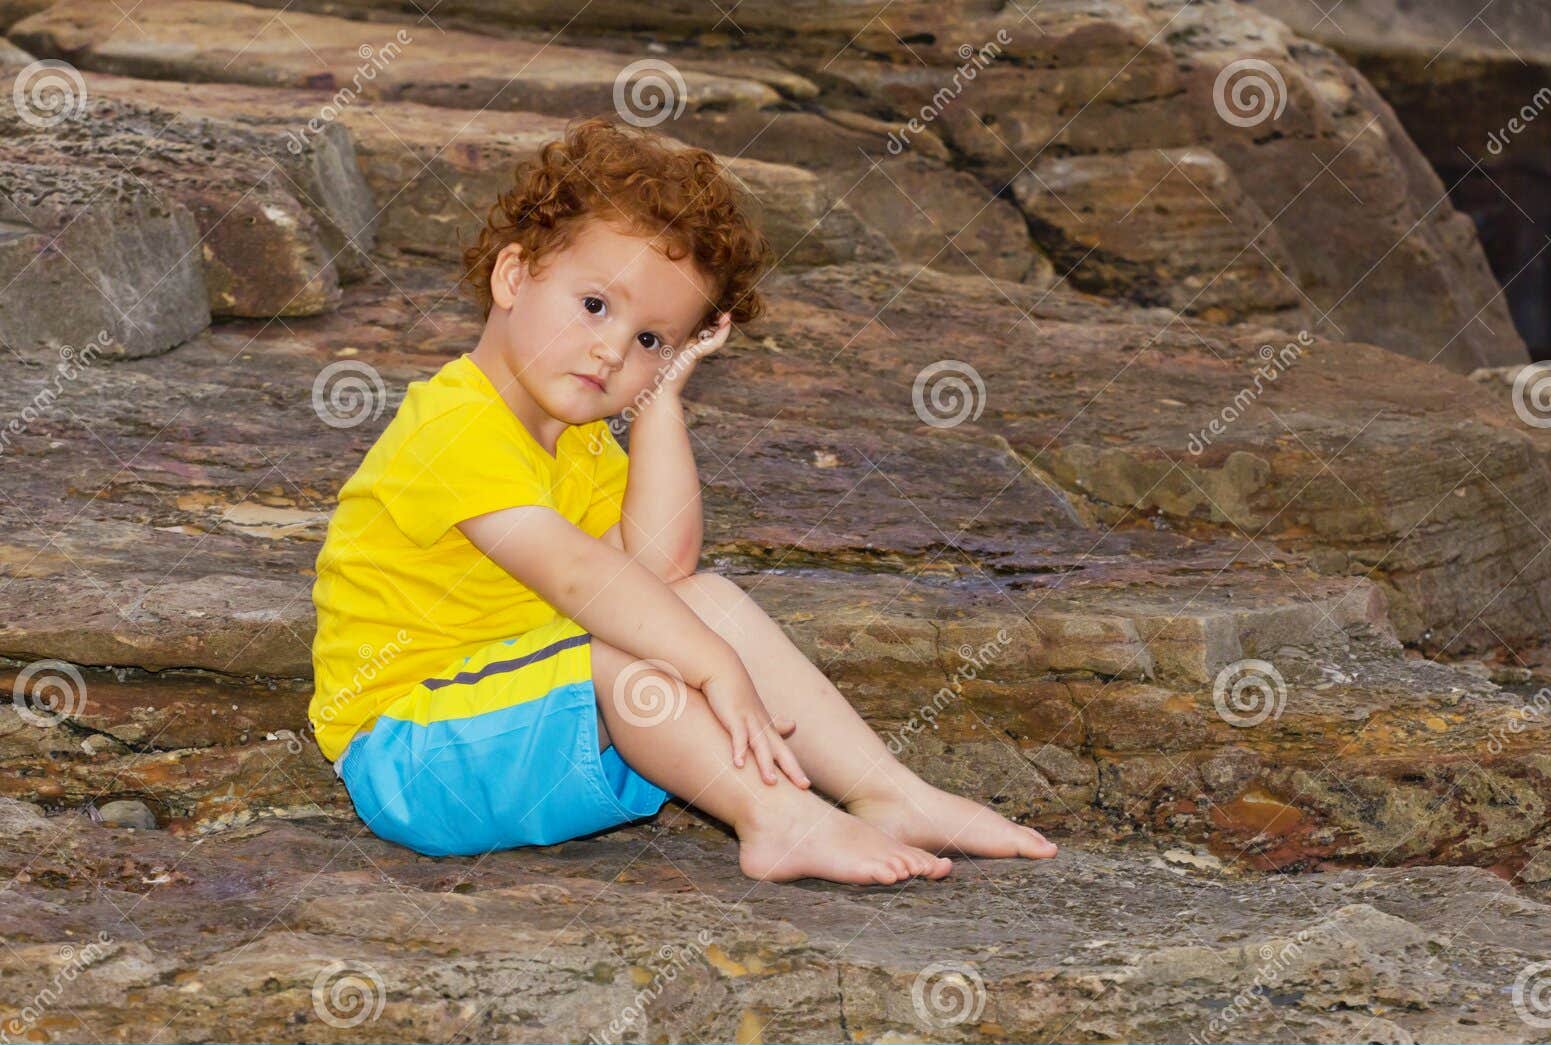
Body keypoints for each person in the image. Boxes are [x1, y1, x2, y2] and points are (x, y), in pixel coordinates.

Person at [309, 116, 1058, 885]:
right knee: (637, 655)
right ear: (513, 277)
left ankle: (887, 792)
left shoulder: (578, 440)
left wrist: (660, 401)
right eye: (595, 305)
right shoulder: (454, 426)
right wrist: (714, 667)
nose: (612, 349)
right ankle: (775, 816)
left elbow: (662, 569)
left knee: (706, 602)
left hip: (516, 720)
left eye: (650, 340)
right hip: (411, 750)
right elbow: (578, 575)